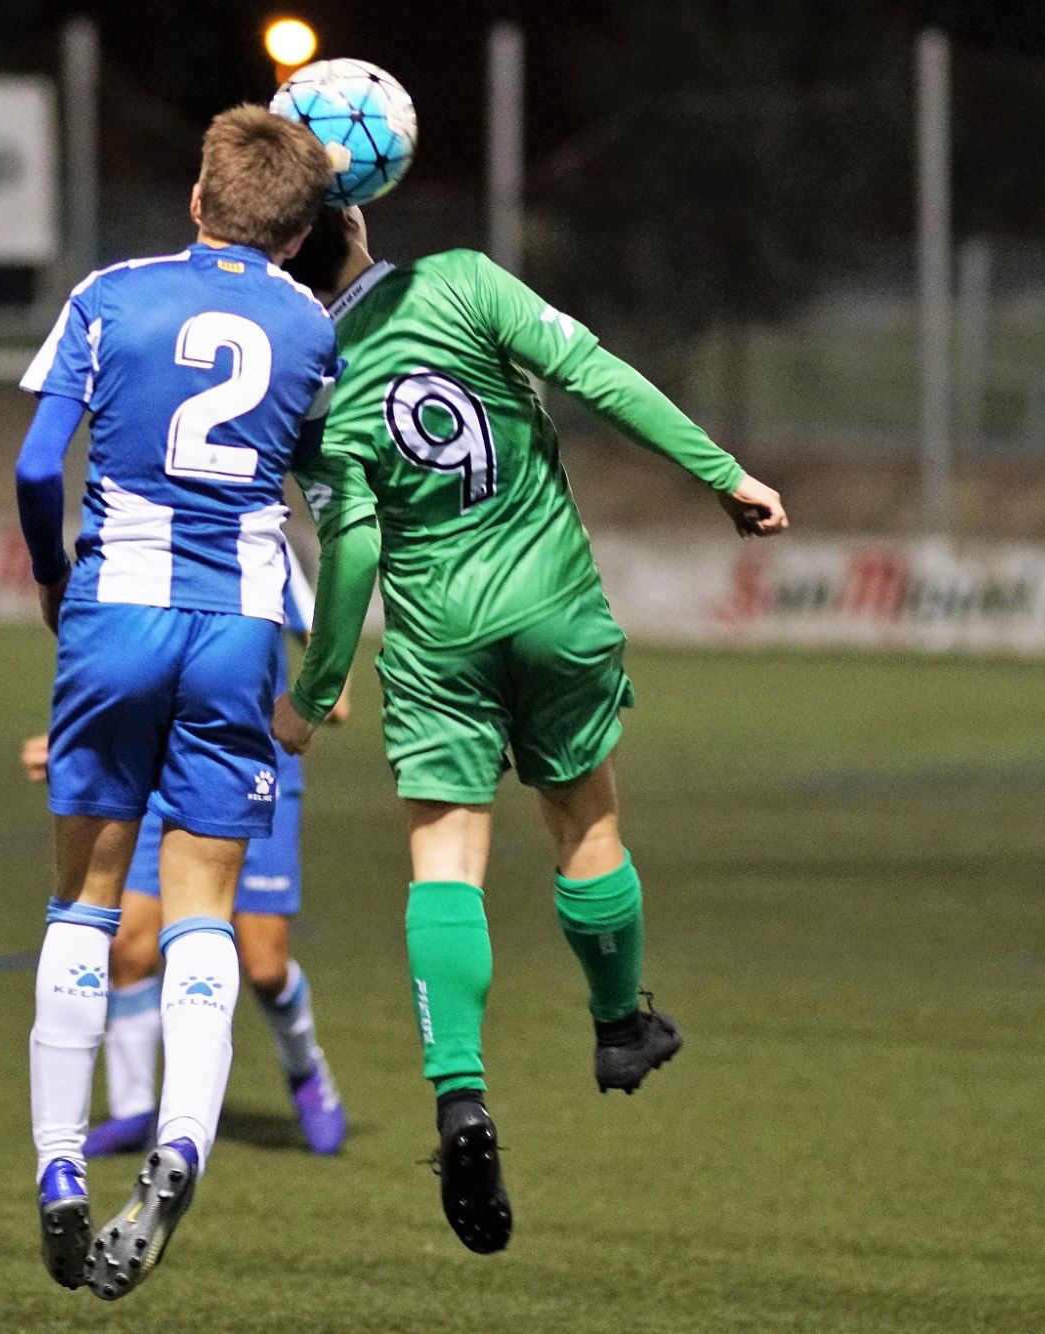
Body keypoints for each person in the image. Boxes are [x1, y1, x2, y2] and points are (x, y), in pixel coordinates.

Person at [272, 206, 789, 1255]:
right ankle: (616, 1024)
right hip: (551, 607)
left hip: (434, 640)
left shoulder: (315, 389)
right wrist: (720, 473)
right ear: (358, 212)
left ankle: (459, 1097)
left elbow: (355, 550)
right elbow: (599, 376)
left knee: (444, 863)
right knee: (585, 824)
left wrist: (315, 686)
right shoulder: (462, 280)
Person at [12, 105, 336, 1300]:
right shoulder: (308, 323)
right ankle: (182, 1145)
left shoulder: (107, 294)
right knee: (203, 907)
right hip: (239, 623)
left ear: (196, 200)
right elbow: (334, 500)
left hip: (119, 606)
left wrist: (57, 583)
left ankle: (57, 1165)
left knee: (86, 899)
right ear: (295, 236)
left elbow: (39, 463)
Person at [18, 547, 349, 1161]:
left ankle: (306, 1071)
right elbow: (113, 673)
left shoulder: (259, 544)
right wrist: (74, 740)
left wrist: (302, 703)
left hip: (245, 769)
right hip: (156, 768)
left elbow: (339, 690)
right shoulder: (140, 538)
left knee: (265, 965)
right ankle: (136, 1107)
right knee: (128, 945)